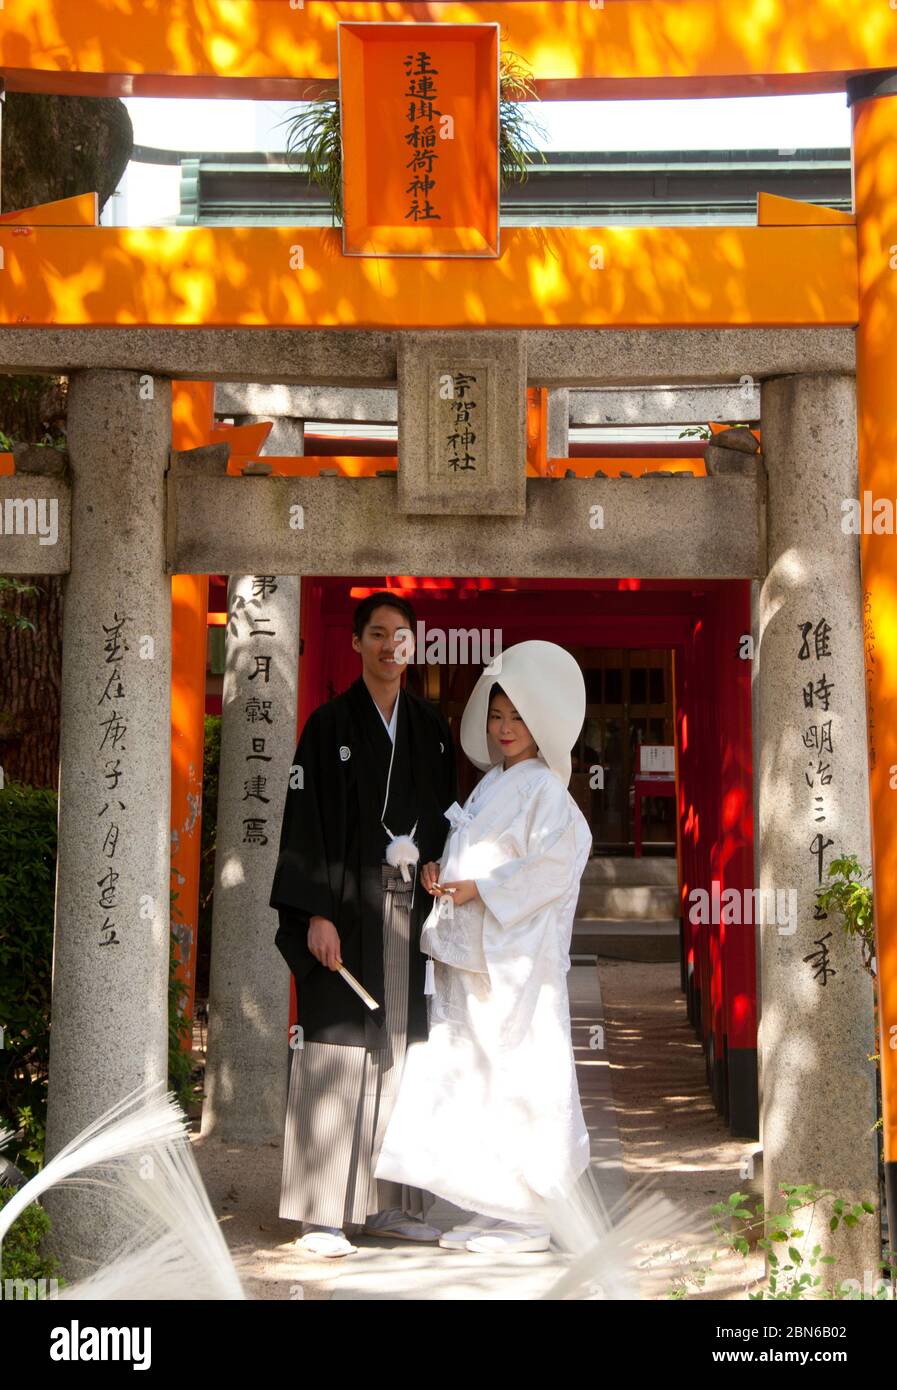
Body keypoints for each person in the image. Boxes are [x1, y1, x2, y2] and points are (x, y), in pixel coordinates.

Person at [374, 640, 593, 1254]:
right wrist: (443, 871)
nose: (504, 729)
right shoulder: (494, 785)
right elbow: (480, 853)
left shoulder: (546, 791)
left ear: (541, 723)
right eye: (497, 717)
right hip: (475, 960)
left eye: (517, 718)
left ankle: (530, 1215)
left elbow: (557, 860)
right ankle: (497, 1206)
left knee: (519, 1073)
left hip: (515, 968)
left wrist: (483, 889)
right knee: (473, 1077)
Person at [269, 592, 457, 1257]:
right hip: (345, 909)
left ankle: (390, 1206)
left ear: (413, 647)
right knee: (339, 1045)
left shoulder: (431, 728)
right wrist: (316, 911)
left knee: (402, 1048)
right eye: (376, 634)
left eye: (400, 636)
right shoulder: (328, 726)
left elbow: (444, 820)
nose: (388, 646)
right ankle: (323, 1213)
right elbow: (307, 825)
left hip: (410, 909)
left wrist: (438, 864)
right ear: (355, 643)